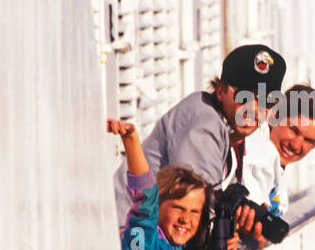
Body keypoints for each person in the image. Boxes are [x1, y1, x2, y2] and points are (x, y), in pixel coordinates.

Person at [112, 43, 286, 228]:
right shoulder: (205, 124)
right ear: (220, 90)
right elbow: (199, 210)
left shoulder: (229, 130)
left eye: (266, 100)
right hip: (127, 239)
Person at [107, 119, 238, 250]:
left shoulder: (184, 249)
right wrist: (131, 141)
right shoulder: (140, 243)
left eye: (194, 212)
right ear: (159, 206)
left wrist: (223, 247)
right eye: (178, 208)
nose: (185, 219)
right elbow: (145, 202)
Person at [242, 83, 315, 214]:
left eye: (308, 140)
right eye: (293, 130)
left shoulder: (277, 166)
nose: (296, 146)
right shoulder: (252, 156)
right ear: (274, 116)